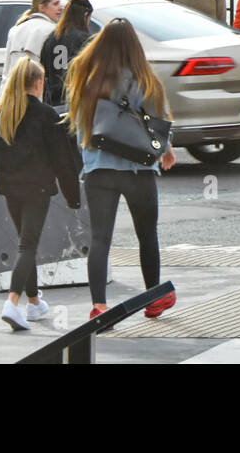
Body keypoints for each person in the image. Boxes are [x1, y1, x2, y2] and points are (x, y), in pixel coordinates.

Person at [65, 19, 177, 321]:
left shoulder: (87, 80)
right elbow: (160, 123)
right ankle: (154, 296)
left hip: (99, 170)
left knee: (100, 239)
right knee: (146, 235)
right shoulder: (147, 80)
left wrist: (90, 159)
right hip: (138, 170)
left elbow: (78, 127)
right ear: (134, 47)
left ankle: (99, 307)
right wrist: (166, 151)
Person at [0, 57, 83, 331]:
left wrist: (9, 170)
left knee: (24, 244)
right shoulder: (47, 115)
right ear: (37, 83)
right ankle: (12, 303)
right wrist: (73, 196)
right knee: (27, 246)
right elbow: (63, 160)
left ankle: (34, 302)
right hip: (37, 188)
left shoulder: (1, 112)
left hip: (10, 187)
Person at [1, 0, 63, 95]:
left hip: (11, 95)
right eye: (56, 4)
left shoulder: (15, 29)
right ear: (42, 7)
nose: (60, 8)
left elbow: (6, 70)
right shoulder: (52, 31)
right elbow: (59, 71)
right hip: (36, 96)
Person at [40, 0, 96, 107]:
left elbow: (43, 68)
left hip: (53, 101)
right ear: (86, 15)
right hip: (76, 100)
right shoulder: (86, 39)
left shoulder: (51, 38)